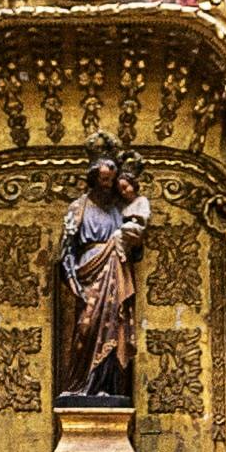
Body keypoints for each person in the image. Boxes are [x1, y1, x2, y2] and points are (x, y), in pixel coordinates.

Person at [58, 149, 148, 403]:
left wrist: (135, 240)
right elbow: (66, 250)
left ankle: (107, 387)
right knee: (86, 328)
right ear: (94, 179)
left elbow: (135, 251)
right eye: (104, 180)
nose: (108, 186)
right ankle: (81, 385)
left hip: (115, 271)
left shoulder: (120, 210)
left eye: (112, 180)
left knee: (114, 327)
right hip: (89, 271)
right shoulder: (79, 207)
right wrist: (74, 284)